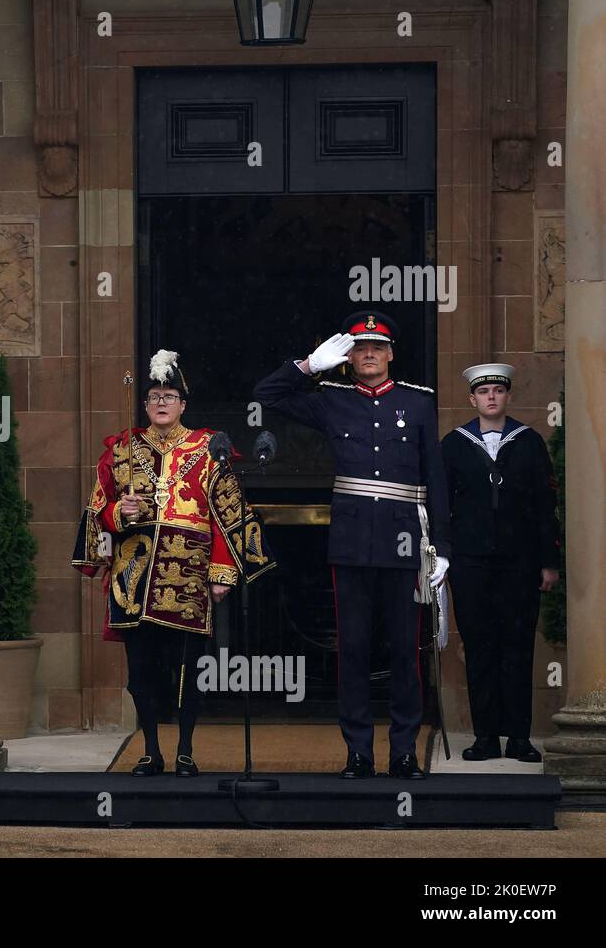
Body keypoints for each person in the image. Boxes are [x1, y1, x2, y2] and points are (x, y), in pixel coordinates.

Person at [253, 312, 449, 779]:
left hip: (405, 540)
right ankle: (358, 751)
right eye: (360, 348)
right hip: (352, 542)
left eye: (377, 348)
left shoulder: (418, 403)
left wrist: (442, 547)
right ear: (349, 356)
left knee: (405, 650)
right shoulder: (331, 399)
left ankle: (403, 750)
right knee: (355, 650)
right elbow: (267, 395)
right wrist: (307, 367)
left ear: (390, 354)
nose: (369, 355)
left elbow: (434, 478)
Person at [73, 350, 274, 777]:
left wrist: (223, 571)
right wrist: (118, 515)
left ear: (183, 403)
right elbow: (97, 511)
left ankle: (184, 750)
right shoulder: (122, 449)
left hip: (189, 577)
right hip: (134, 578)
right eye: (153, 396)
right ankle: (150, 750)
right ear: (145, 404)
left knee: (187, 671)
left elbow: (229, 512)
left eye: (169, 395)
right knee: (142, 673)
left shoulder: (207, 447)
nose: (161, 403)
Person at [441, 363, 560, 763]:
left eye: (498, 390)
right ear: (471, 399)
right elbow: (441, 506)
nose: (491, 396)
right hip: (470, 563)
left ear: (508, 396)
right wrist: (443, 556)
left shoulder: (529, 442)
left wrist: (549, 562)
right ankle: (486, 738)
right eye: (484, 391)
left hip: (520, 562)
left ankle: (519, 738)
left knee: (518, 648)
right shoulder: (454, 444)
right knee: (479, 648)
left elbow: (546, 507)